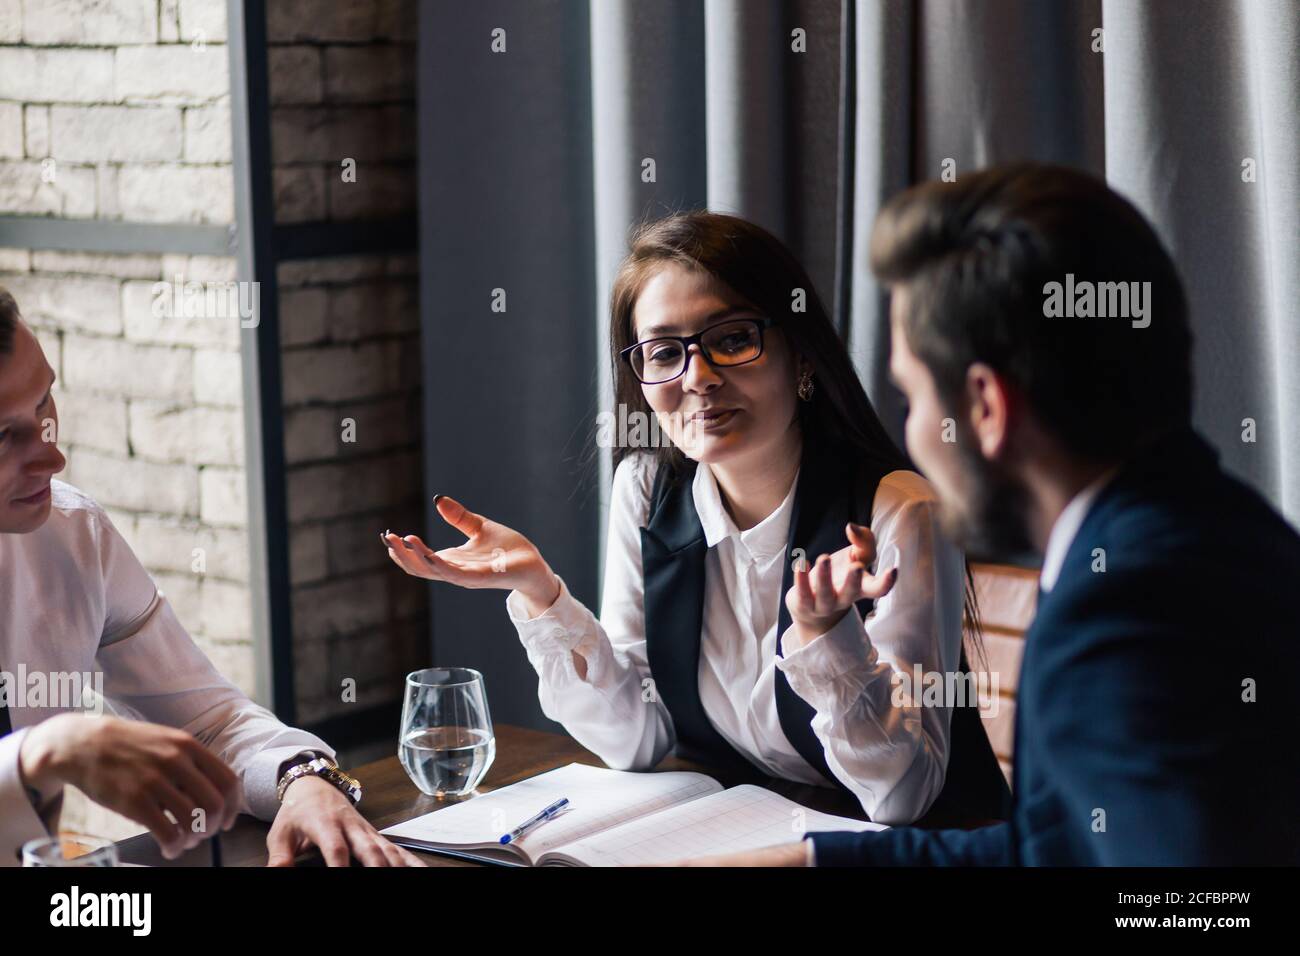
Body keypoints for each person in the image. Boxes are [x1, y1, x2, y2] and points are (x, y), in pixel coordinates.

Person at [671, 163, 1300, 865]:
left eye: (913, 398)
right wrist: (812, 861)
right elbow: (1056, 851)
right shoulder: (1193, 530)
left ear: (986, 409)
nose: (911, 434)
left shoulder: (1126, 614)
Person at [384, 211, 1009, 828]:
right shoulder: (648, 489)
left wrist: (827, 635)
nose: (699, 378)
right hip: (742, 832)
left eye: (732, 339)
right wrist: (542, 595)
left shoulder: (900, 510)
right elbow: (636, 739)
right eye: (663, 353)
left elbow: (903, 796)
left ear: (802, 358)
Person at [0, 289, 423, 867]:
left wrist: (299, 779)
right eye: (4, 435)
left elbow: (206, 720)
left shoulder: (70, 534)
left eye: (45, 401)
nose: (53, 457)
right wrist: (39, 753)